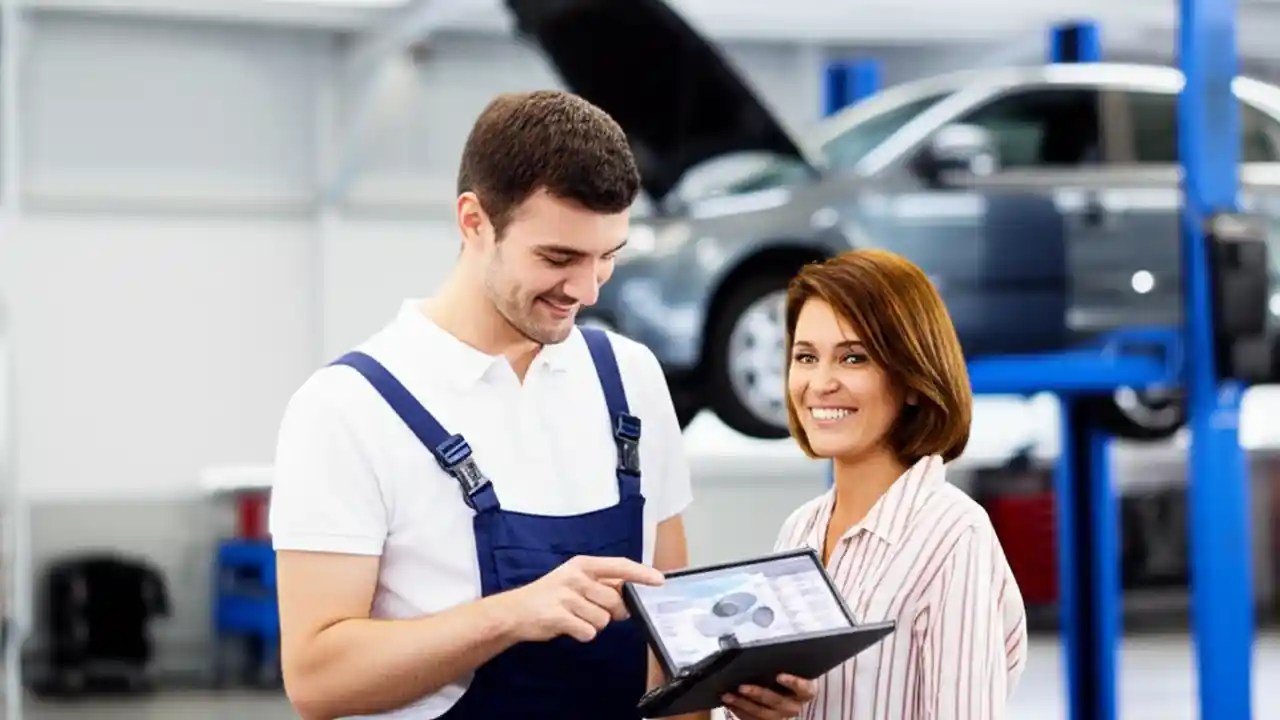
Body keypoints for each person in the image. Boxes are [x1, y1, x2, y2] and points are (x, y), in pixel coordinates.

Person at [267, 89, 813, 720]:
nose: (584, 289)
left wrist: (728, 694)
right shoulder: (347, 408)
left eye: (607, 257)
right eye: (558, 258)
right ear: (474, 221)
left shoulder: (631, 380)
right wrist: (509, 615)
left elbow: (669, 641)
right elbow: (317, 679)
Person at [724, 249, 1028, 720]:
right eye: (806, 357)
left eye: (853, 358)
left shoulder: (952, 535)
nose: (820, 382)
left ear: (912, 379)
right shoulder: (799, 530)